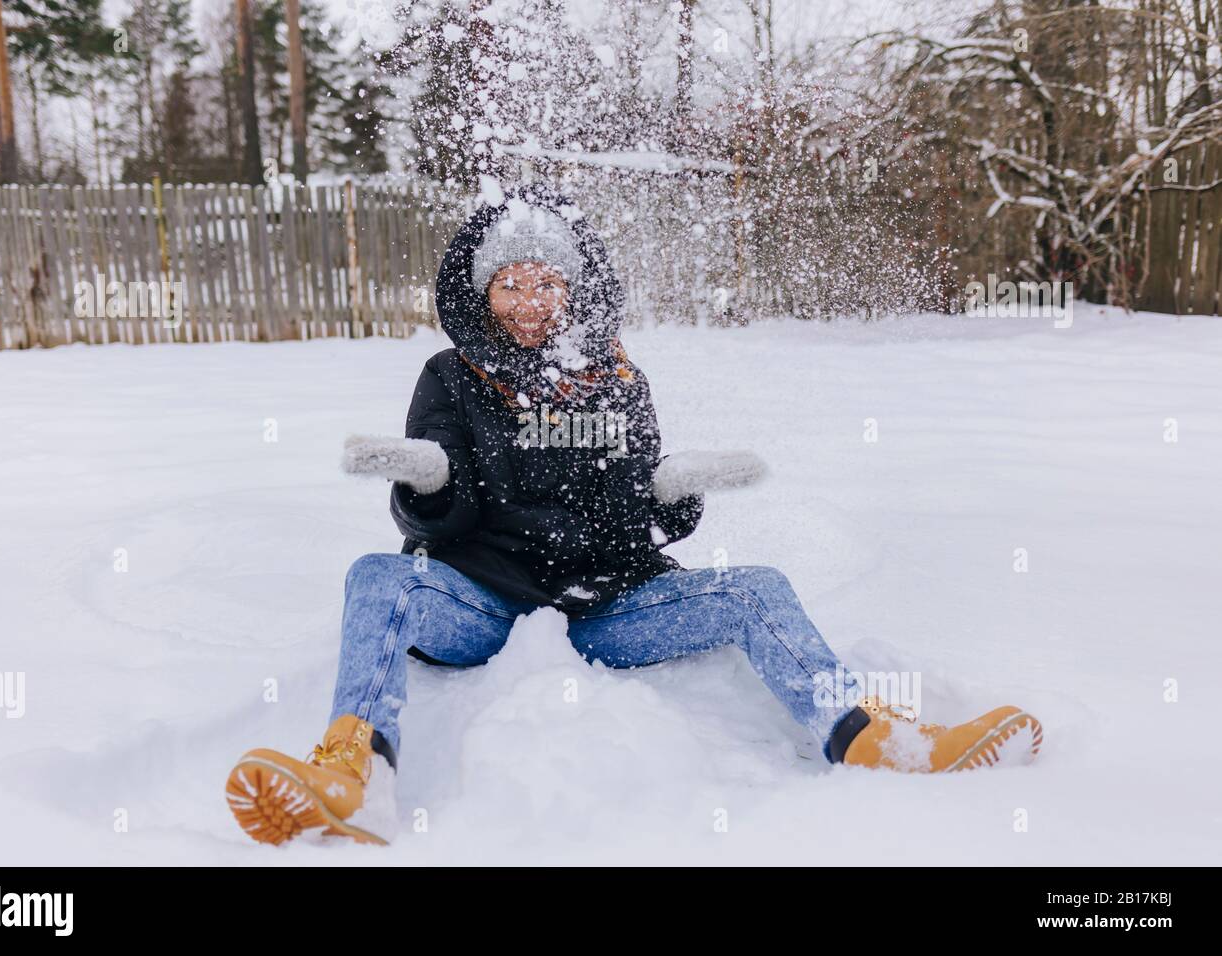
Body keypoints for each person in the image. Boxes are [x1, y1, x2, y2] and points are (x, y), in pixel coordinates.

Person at [224, 186, 1043, 847]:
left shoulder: (617, 380)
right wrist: (430, 481)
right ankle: (352, 773)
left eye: (548, 282)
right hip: (481, 603)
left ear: (575, 290)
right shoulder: (450, 374)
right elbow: (449, 518)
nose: (530, 300)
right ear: (481, 291)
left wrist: (666, 494)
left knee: (756, 587)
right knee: (377, 577)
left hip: (605, 609)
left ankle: (871, 740)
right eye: (510, 282)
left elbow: (628, 522)